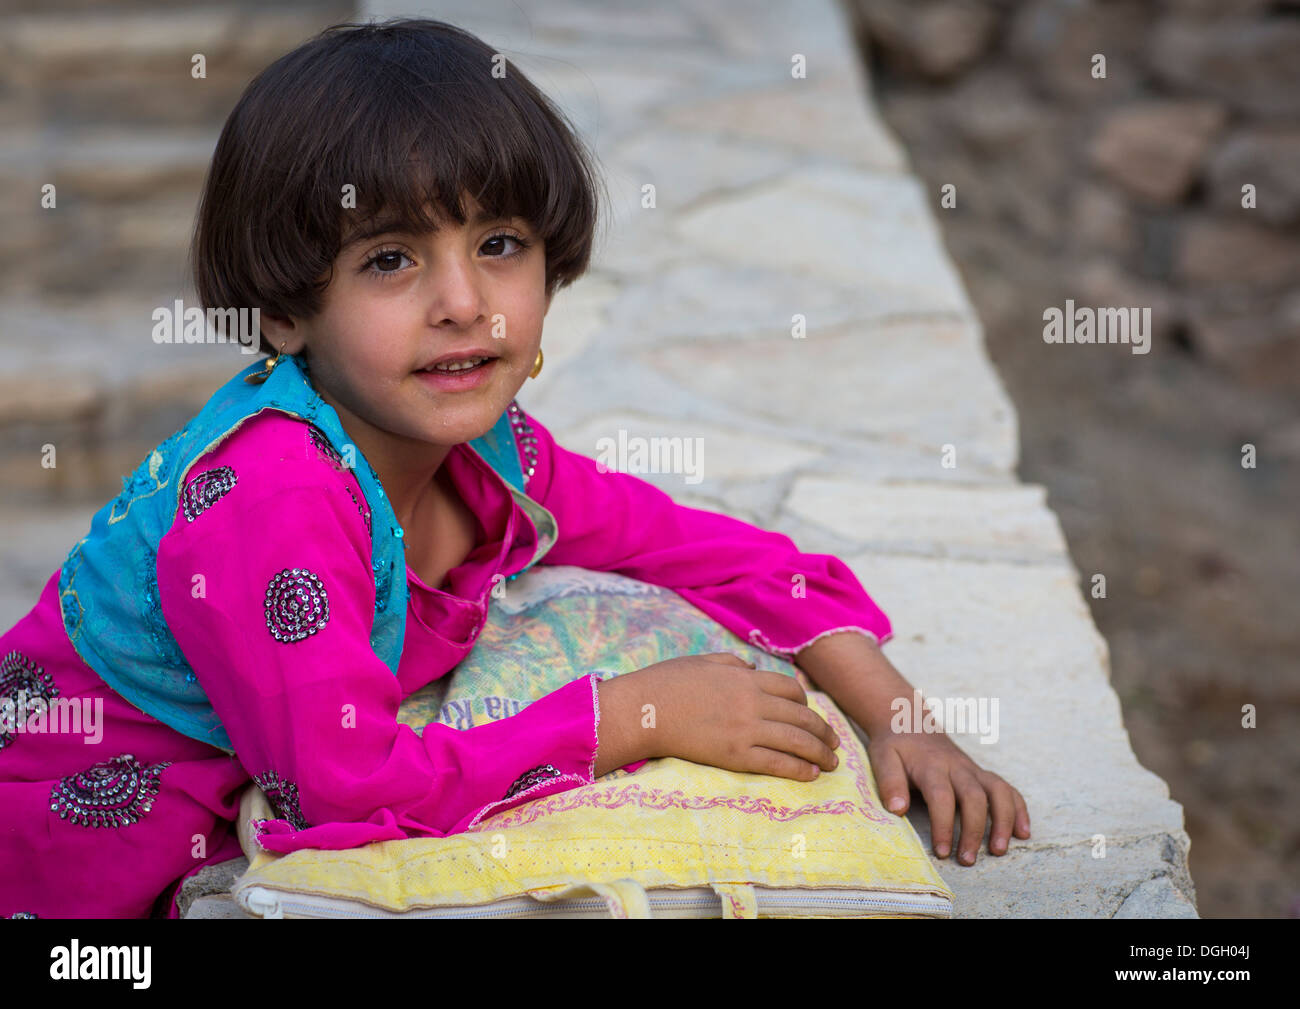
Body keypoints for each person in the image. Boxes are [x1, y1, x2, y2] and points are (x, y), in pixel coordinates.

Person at [0, 18, 1029, 919]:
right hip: (70, 861)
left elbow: (715, 553)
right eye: (389, 260)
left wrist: (903, 720)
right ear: (282, 311)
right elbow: (343, 788)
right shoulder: (278, 495)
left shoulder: (491, 456)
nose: (464, 302)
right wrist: (638, 713)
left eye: (499, 242)